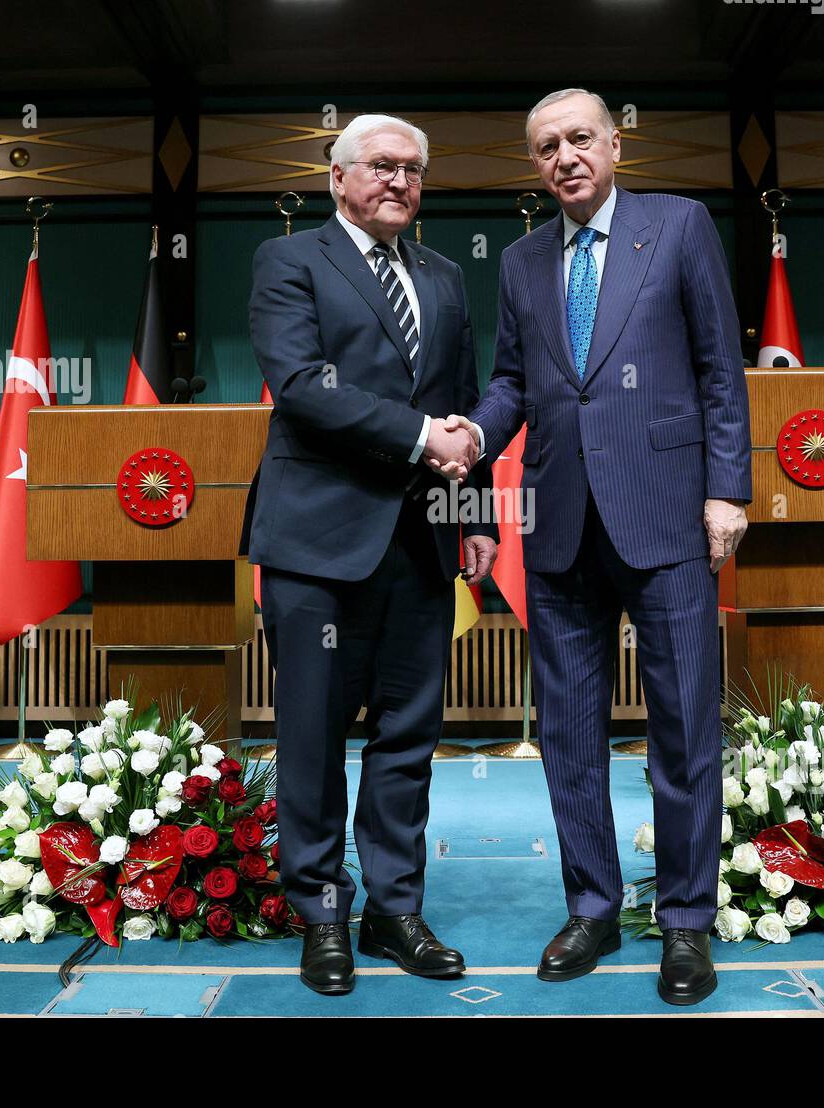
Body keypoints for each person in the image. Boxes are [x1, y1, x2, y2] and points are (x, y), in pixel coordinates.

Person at [441, 88, 751, 1006]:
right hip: (559, 524)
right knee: (568, 735)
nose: (565, 156)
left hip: (666, 516)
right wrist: (470, 435)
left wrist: (727, 488)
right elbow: (512, 383)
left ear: (614, 143)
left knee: (685, 730)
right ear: (534, 165)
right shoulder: (525, 260)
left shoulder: (681, 225)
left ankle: (687, 923)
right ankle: (592, 906)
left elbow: (718, 368)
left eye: (579, 139)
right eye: (546, 147)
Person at [241, 113, 498, 996]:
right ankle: (320, 913)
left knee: (407, 739)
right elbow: (303, 388)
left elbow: (464, 404)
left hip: (422, 543)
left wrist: (477, 516)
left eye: (413, 170)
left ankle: (394, 909)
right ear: (339, 178)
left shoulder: (446, 276)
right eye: (381, 167)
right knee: (311, 738)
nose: (398, 181)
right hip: (318, 545)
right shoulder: (290, 261)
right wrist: (426, 434)